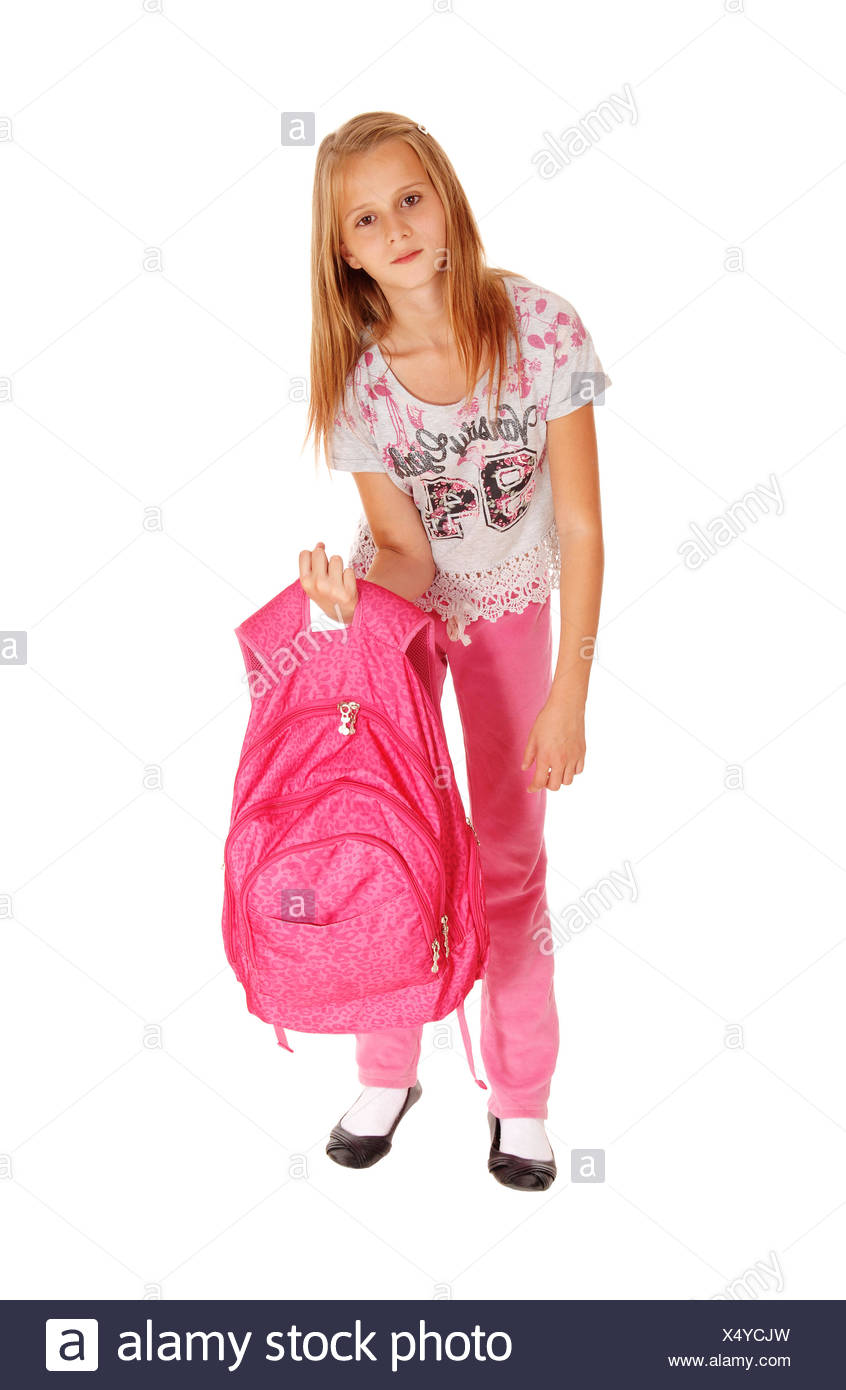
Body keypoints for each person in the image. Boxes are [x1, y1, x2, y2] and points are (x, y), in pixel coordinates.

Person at [300, 111, 611, 1190]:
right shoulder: (357, 381)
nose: (395, 228)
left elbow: (578, 528)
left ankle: (519, 1096)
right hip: (408, 610)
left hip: (518, 613)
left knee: (508, 859)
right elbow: (401, 548)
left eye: (409, 198)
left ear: (445, 195)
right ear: (343, 246)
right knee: (388, 841)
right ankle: (388, 1065)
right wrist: (355, 600)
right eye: (367, 218)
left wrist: (569, 691)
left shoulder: (541, 329)